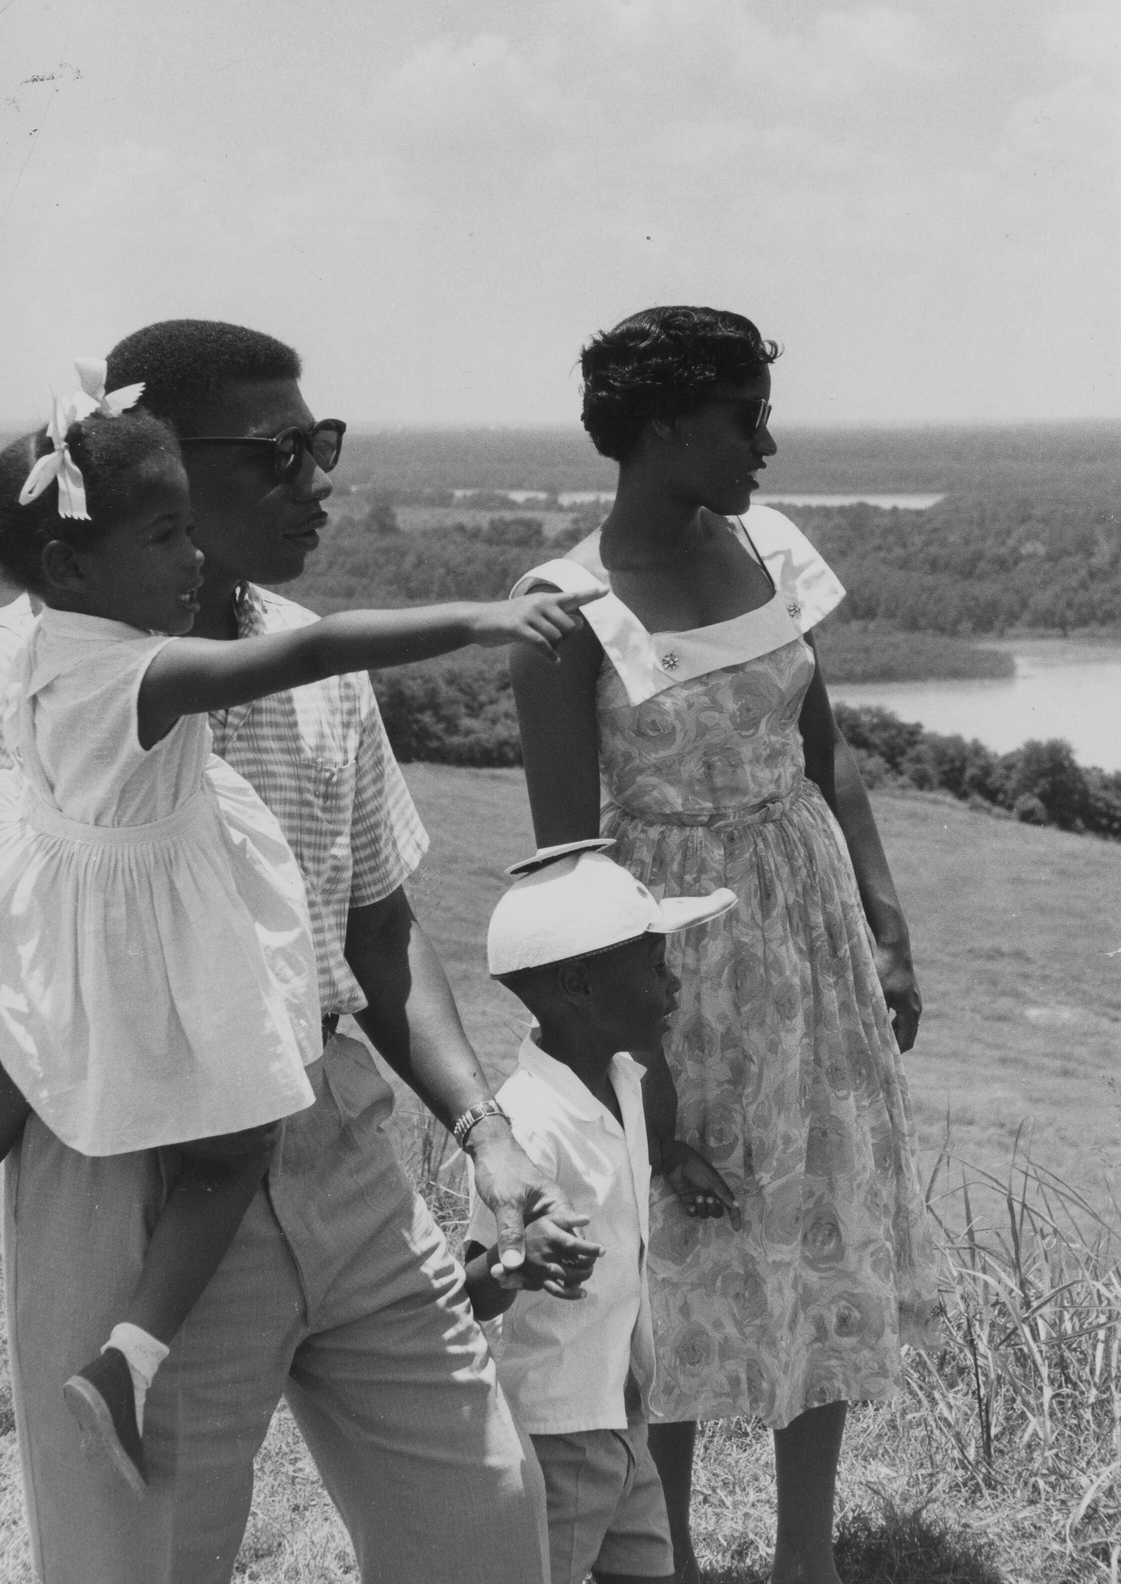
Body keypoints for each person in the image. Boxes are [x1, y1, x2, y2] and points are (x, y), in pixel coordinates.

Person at [1, 320, 603, 1584]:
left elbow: (378, 933)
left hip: (332, 1139)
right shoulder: (32, 677)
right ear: (155, 460)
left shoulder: (319, 668)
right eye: (281, 452)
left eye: (319, 445)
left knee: (482, 1528)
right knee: (139, 1558)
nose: (317, 480)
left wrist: (484, 1138)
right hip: (131, 1154)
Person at [508, 305, 943, 1584]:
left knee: (827, 1222)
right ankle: (672, 1559)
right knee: (682, 1259)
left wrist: (885, 920)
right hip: (666, 947)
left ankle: (804, 1559)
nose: (767, 438)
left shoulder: (770, 544)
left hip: (807, 923)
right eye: (741, 414)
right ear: (656, 426)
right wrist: (629, 1063)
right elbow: (562, 872)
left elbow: (824, 745)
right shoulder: (564, 611)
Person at [463, 841, 737, 1584]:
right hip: (558, 1424)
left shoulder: (621, 1080)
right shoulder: (526, 1126)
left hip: (620, 1407)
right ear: (578, 981)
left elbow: (620, 1173)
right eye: (653, 968)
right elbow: (471, 1289)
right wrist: (518, 1262)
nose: (673, 985)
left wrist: (672, 1160)